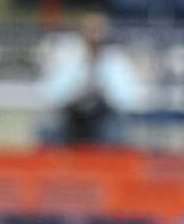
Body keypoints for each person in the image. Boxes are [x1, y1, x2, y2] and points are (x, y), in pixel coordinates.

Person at [40, 12, 143, 144]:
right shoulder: (66, 55)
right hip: (70, 115)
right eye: (91, 30)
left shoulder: (115, 59)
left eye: (99, 31)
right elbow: (51, 94)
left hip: (104, 116)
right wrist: (77, 88)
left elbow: (129, 99)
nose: (95, 36)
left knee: (116, 129)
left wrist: (104, 89)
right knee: (50, 126)